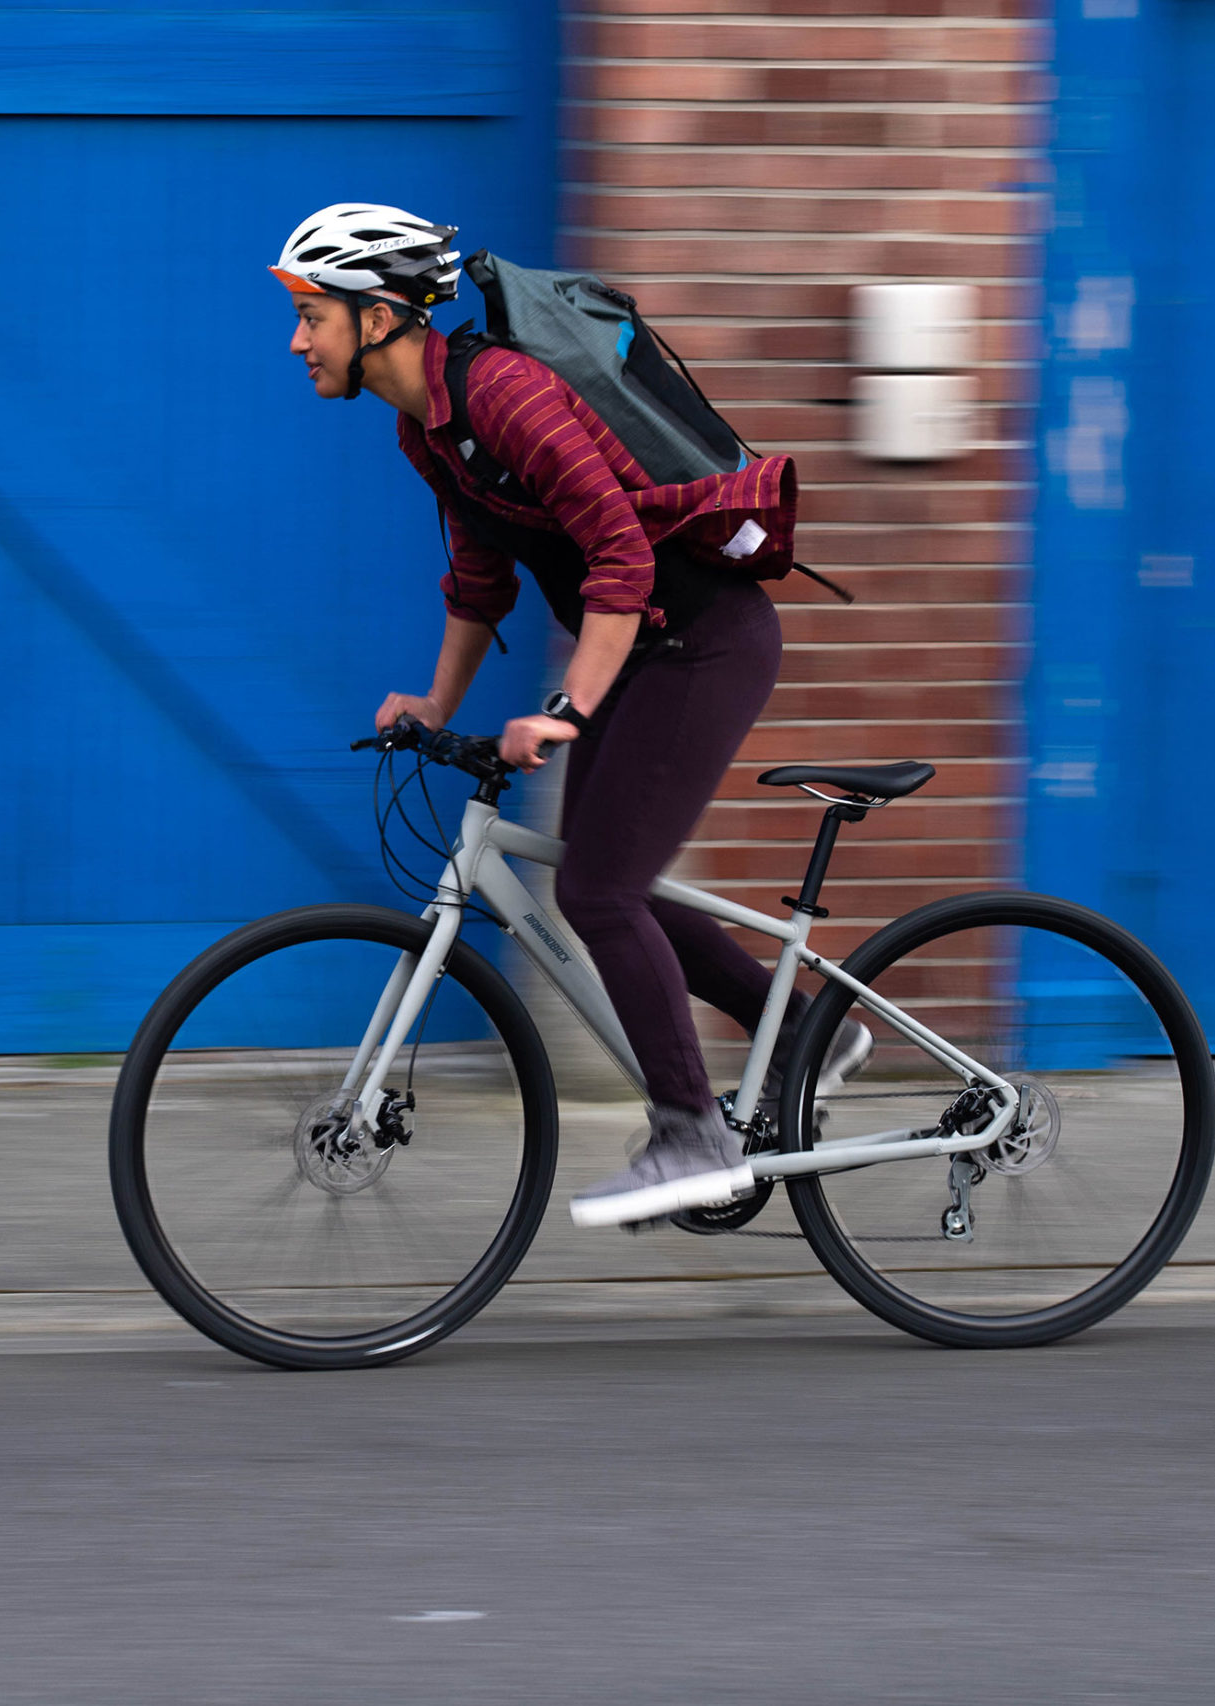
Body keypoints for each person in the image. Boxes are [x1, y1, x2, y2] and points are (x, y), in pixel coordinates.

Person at [271, 203, 870, 1229]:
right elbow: (479, 579)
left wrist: (567, 708)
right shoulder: (427, 428)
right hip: (643, 647)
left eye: (311, 315)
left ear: (376, 318)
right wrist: (436, 703)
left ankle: (692, 1134)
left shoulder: (503, 392)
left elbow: (619, 553)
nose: (298, 341)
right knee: (602, 877)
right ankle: (814, 1032)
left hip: (705, 641)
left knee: (598, 890)